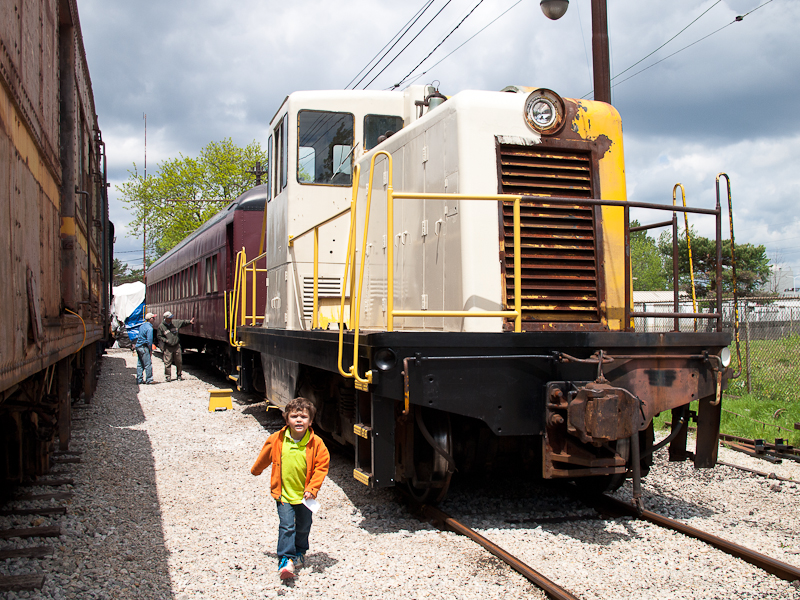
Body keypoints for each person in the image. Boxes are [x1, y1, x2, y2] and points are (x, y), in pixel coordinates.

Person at [251, 397, 330, 580]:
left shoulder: (317, 443)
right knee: (287, 526)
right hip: (284, 494)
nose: (299, 420)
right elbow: (265, 455)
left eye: (303, 417)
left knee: (303, 526)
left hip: (305, 496)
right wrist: (256, 470)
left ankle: (300, 551)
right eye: (294, 416)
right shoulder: (277, 439)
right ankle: (286, 559)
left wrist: (313, 488)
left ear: (311, 421)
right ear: (287, 420)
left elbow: (321, 467)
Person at [156, 311, 195, 382]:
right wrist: (166, 340)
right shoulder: (161, 326)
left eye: (171, 317)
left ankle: (179, 375)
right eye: (169, 318)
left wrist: (189, 322)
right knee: (167, 362)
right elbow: (159, 336)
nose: (171, 319)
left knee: (179, 361)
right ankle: (168, 376)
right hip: (168, 347)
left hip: (177, 346)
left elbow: (183, 322)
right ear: (165, 318)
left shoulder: (175, 323)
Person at [135, 313, 157, 385]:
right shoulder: (150, 328)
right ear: (150, 319)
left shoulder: (142, 326)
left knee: (140, 363)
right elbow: (149, 340)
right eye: (153, 318)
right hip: (144, 347)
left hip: (138, 346)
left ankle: (139, 379)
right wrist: (150, 350)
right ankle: (149, 379)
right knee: (148, 364)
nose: (154, 319)